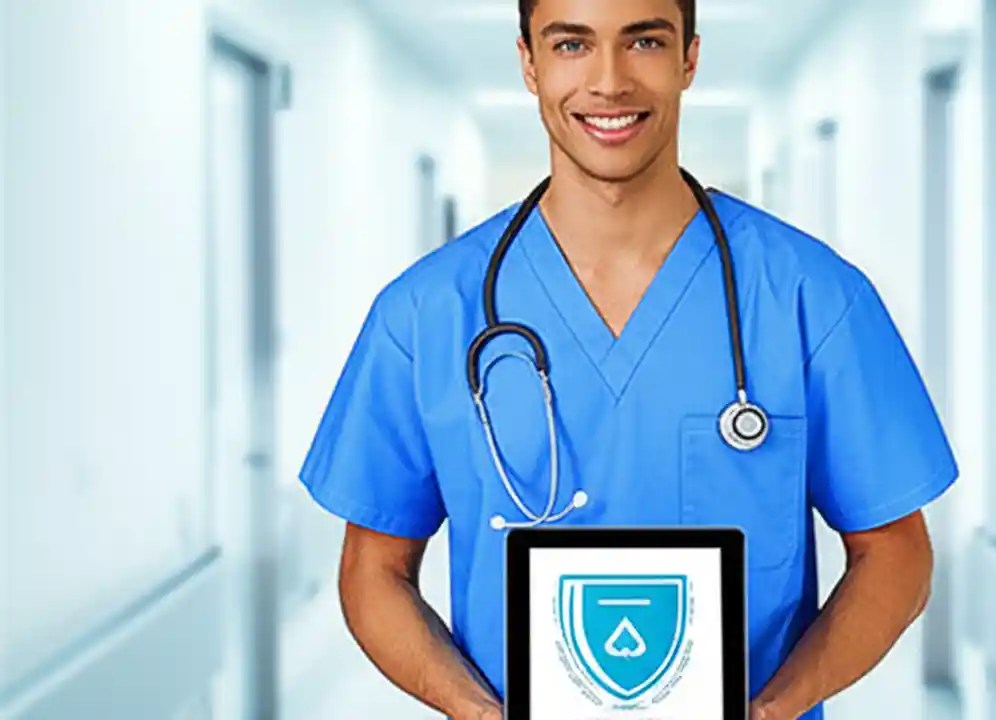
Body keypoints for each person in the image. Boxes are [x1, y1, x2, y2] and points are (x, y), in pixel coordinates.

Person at [297, 0, 959, 718]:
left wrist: (771, 712)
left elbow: (896, 556)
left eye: (643, 40)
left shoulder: (810, 295)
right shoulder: (426, 313)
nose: (609, 81)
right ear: (529, 62)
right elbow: (373, 570)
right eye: (572, 44)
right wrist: (483, 715)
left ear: (689, 60)